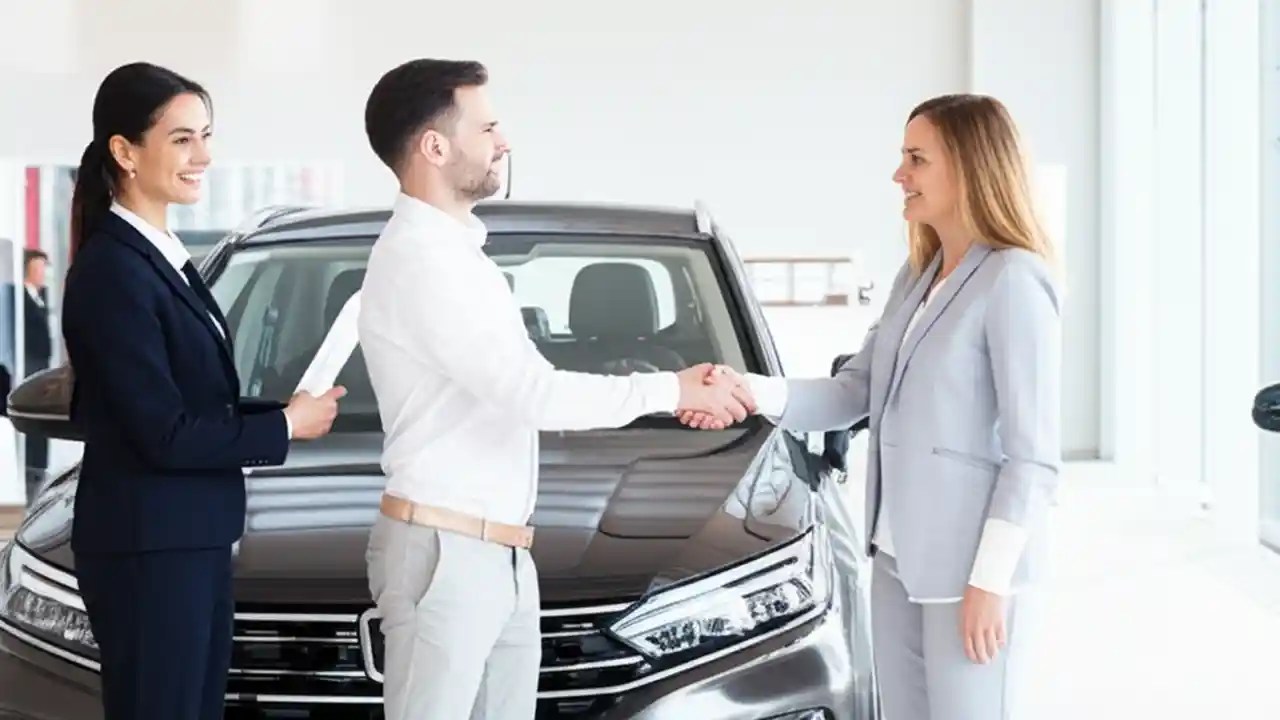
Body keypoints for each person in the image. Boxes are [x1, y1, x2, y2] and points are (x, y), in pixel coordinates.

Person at [357, 58, 755, 720]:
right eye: (486, 127)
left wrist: (682, 392)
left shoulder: (459, 257)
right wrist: (673, 388)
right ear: (434, 146)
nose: (503, 141)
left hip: (497, 551)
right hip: (446, 551)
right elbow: (532, 395)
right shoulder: (424, 263)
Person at [683, 94, 1062, 719]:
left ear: (969, 166)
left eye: (916, 159)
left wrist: (990, 581)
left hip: (969, 575)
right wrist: (749, 389)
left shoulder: (1015, 280)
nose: (899, 176)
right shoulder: (917, 276)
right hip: (895, 560)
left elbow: (1033, 459)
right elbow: (853, 391)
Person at [59, 62, 347, 720]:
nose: (203, 156)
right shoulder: (113, 271)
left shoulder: (160, 253)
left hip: (188, 538)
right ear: (125, 152)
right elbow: (161, 431)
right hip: (149, 548)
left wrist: (281, 413)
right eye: (182, 138)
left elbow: (190, 403)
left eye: (207, 136)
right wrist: (282, 428)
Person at [20, 248, 52, 500]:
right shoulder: (19, 299)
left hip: (40, 363)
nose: (43, 273)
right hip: (27, 365)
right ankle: (31, 473)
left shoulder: (41, 296)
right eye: (39, 268)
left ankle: (38, 471)